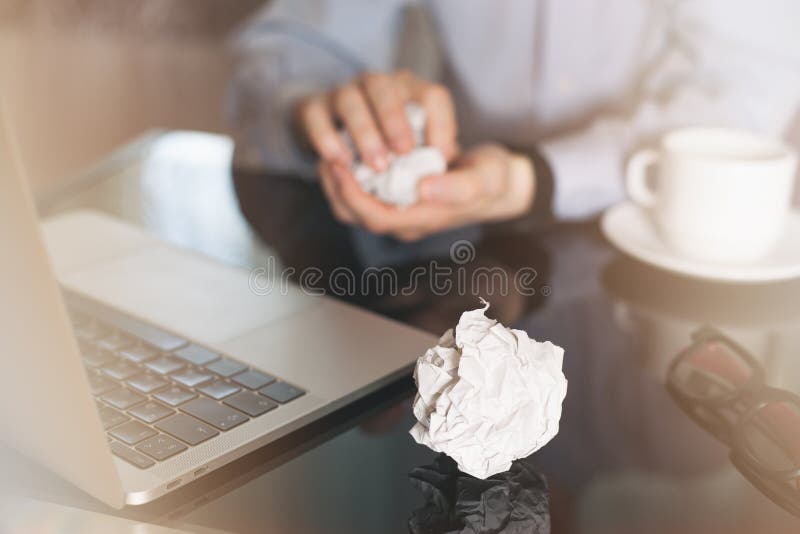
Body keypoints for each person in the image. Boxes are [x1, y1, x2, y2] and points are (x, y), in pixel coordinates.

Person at [227, 0, 800, 244]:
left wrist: (537, 178)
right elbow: (293, 44)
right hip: (452, 242)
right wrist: (324, 114)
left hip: (647, 237)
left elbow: (747, 91)